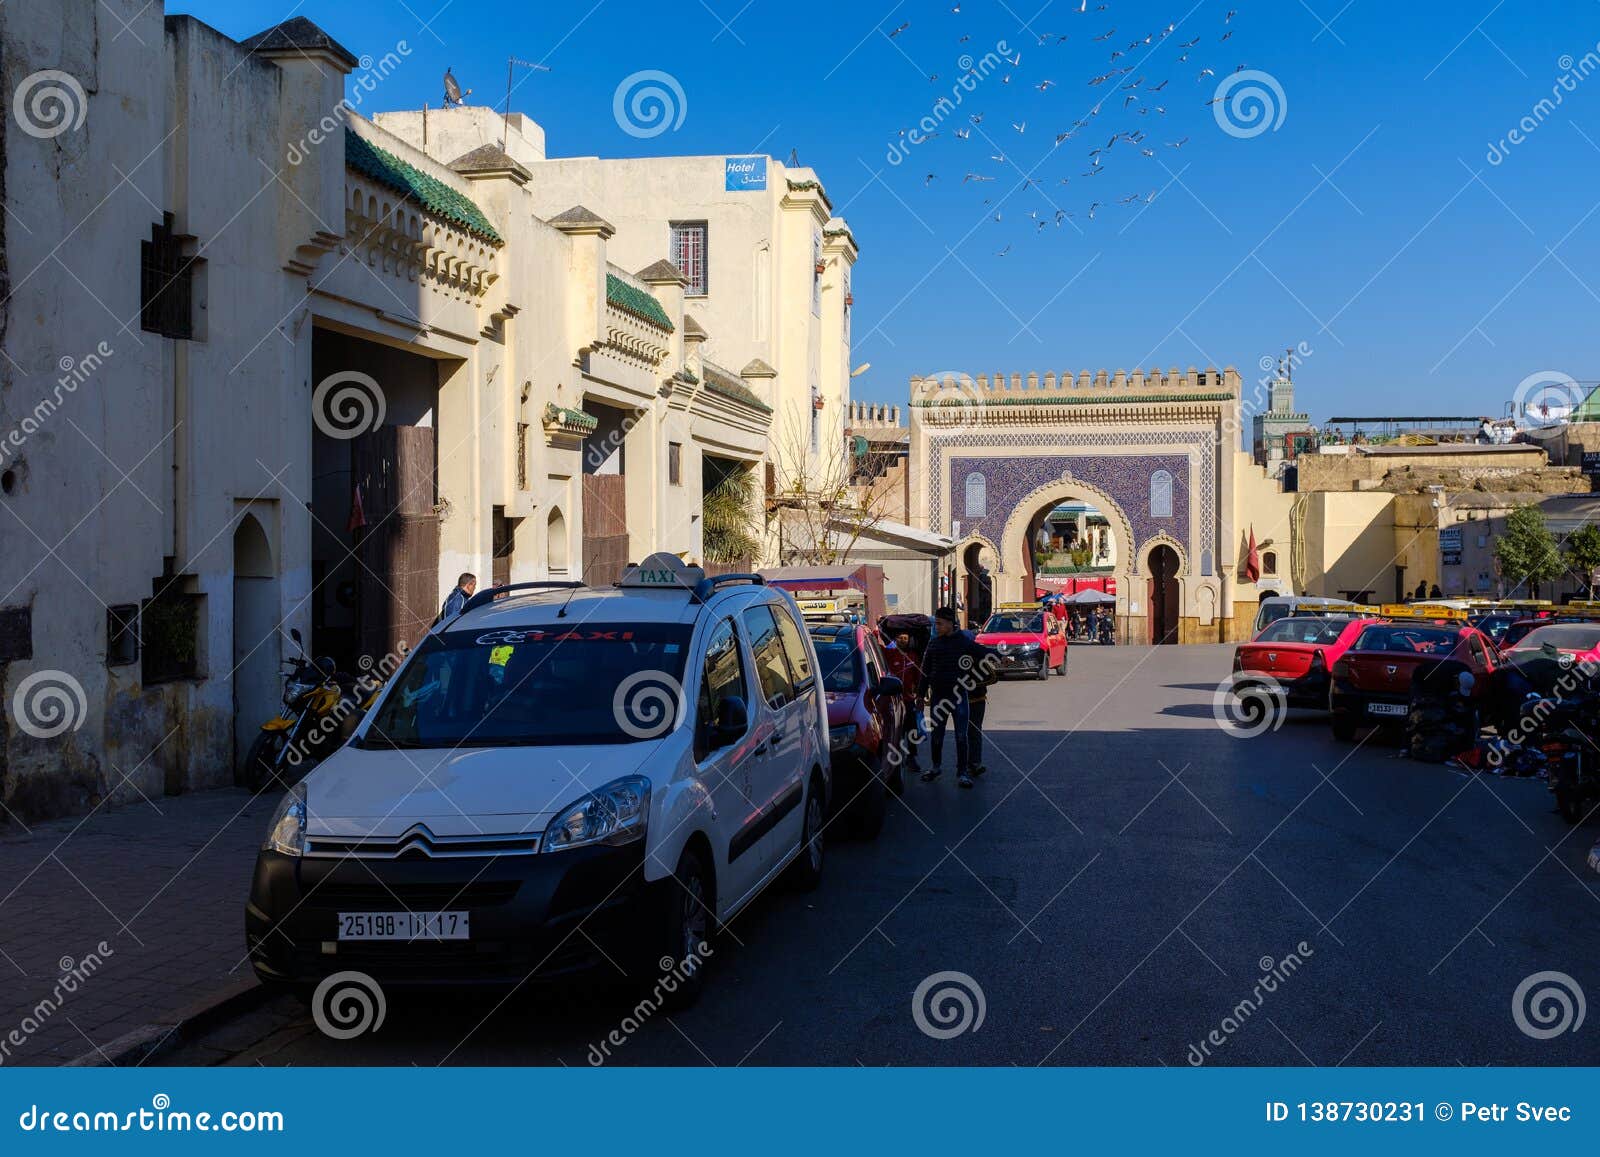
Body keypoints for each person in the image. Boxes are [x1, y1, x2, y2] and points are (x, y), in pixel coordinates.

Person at [919, 606, 993, 789]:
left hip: (959, 697)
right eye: (935, 623)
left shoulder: (963, 642)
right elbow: (925, 672)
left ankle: (963, 773)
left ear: (951, 624)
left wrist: (1001, 655)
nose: (936, 627)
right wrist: (920, 696)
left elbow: (981, 651)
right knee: (937, 736)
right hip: (938, 697)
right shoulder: (934, 644)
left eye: (939, 624)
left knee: (962, 736)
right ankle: (936, 767)